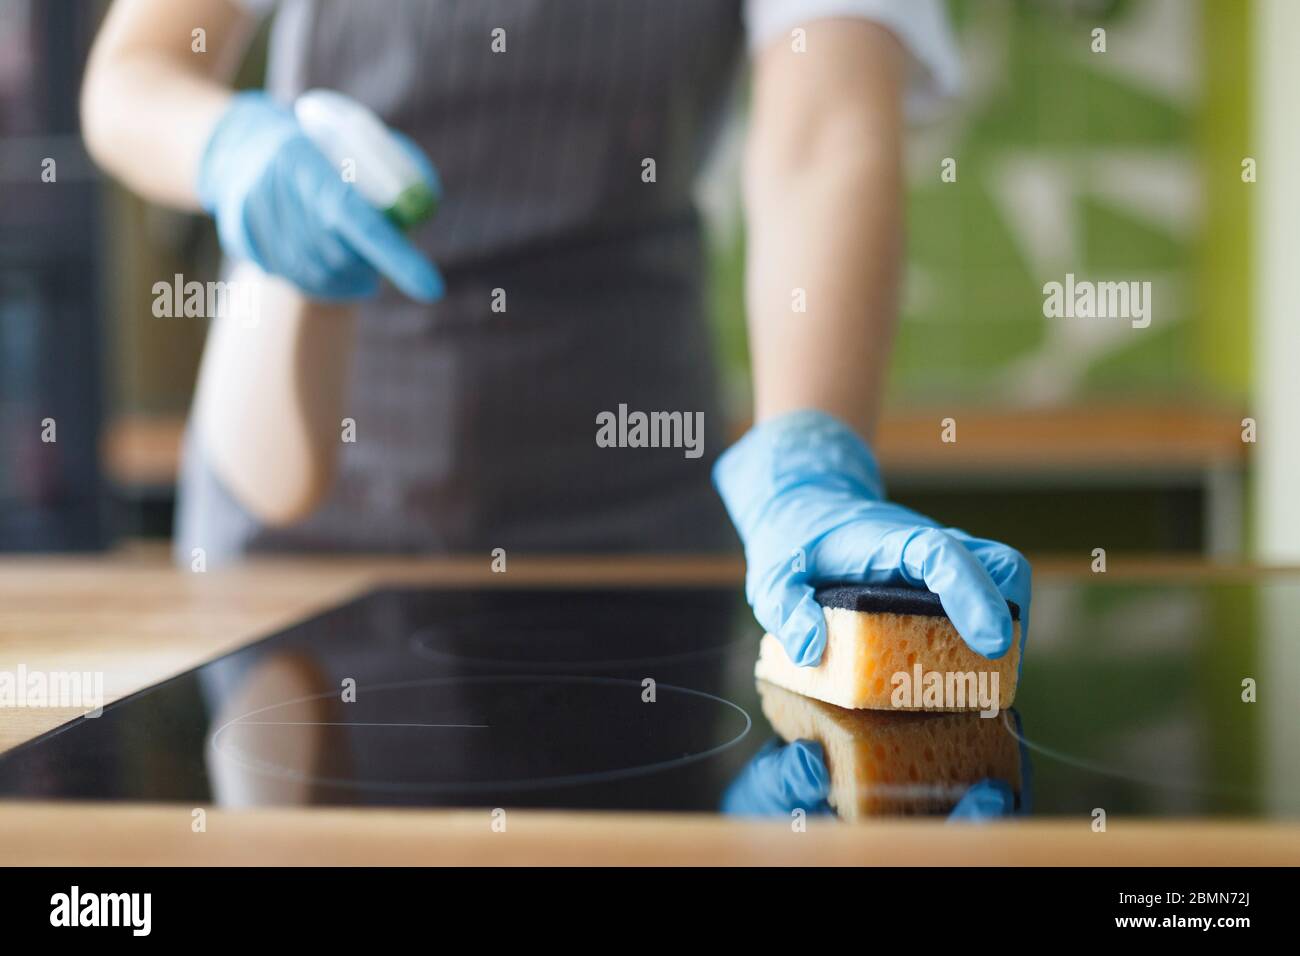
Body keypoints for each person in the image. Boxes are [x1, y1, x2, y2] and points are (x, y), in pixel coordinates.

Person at [81, 0, 1030, 669]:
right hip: (297, 504)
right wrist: (228, 148)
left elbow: (824, 138)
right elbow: (133, 75)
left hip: (624, 505)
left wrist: (813, 457)